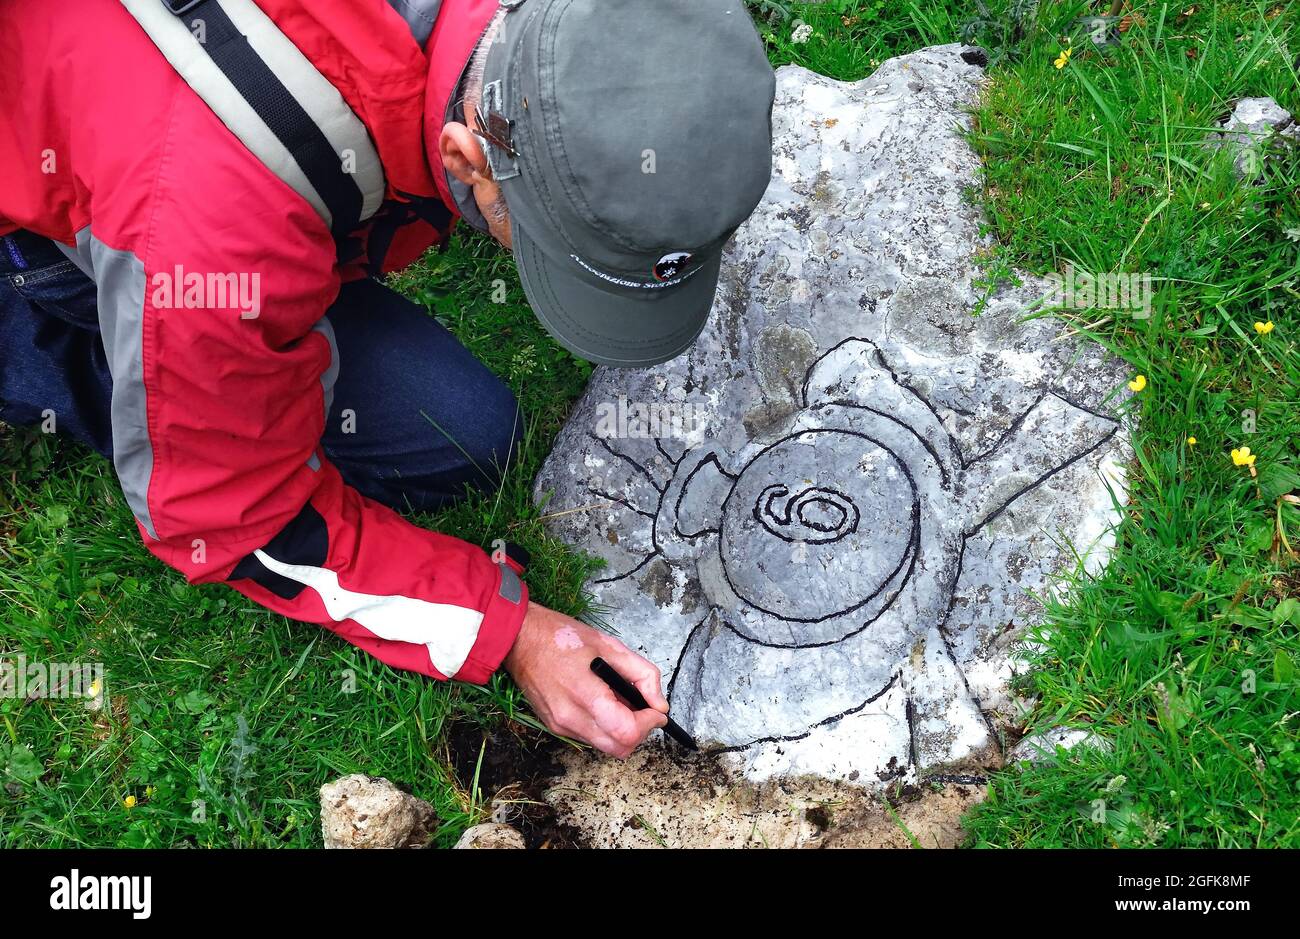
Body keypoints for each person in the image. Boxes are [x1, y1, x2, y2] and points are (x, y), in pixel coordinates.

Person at [0, 0, 775, 757]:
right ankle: (54, 351)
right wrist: (508, 631)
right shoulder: (213, 241)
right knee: (458, 438)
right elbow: (233, 519)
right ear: (466, 157)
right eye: (543, 244)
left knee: (455, 425)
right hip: (91, 216)